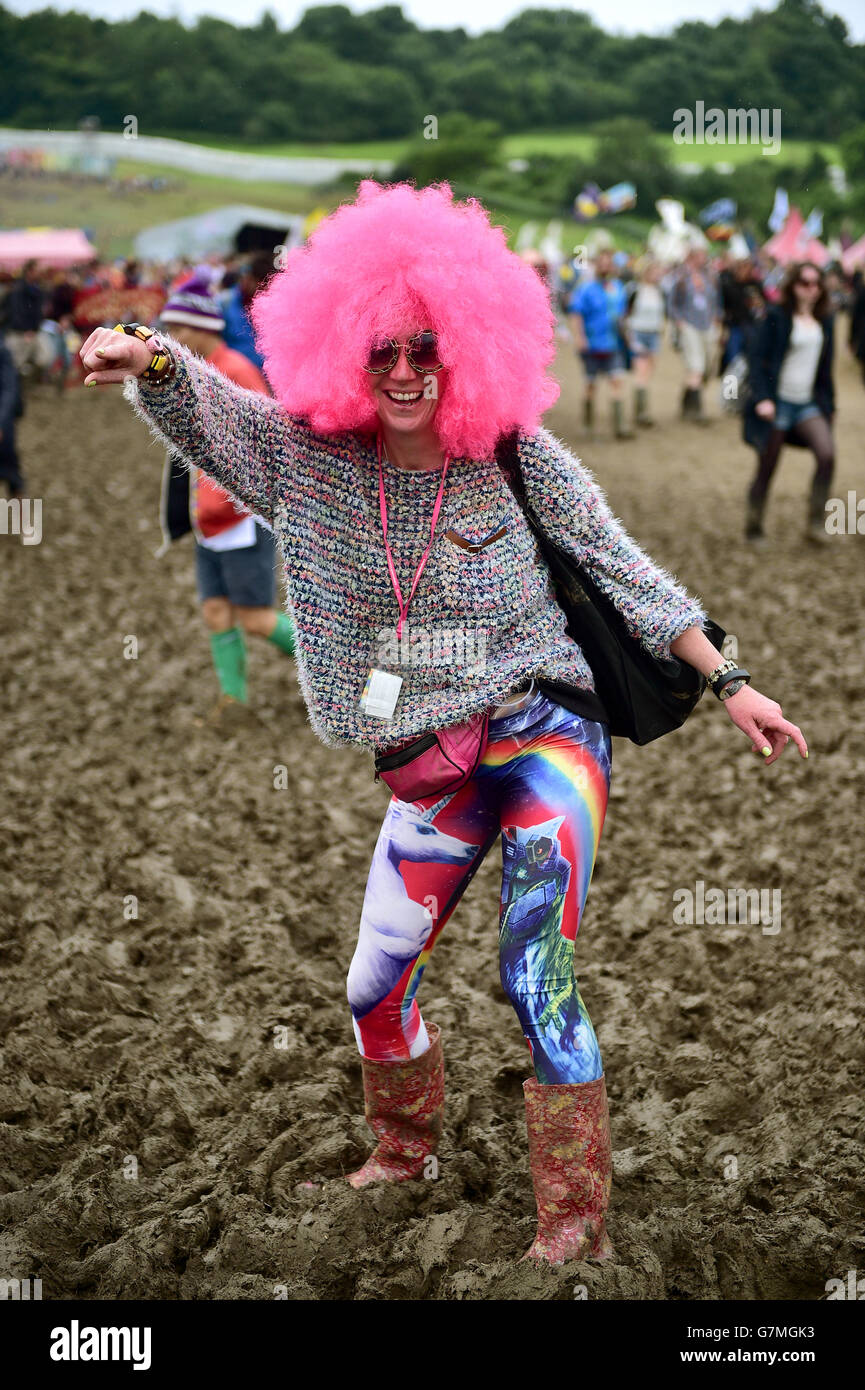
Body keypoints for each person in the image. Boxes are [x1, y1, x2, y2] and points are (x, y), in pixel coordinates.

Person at [80, 181, 807, 1267]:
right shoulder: (308, 461)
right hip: (428, 760)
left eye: (427, 347)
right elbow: (206, 410)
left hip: (544, 735)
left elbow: (625, 570)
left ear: (465, 347)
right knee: (373, 981)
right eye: (382, 351)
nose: (408, 370)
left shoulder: (513, 455)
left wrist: (731, 677)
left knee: (535, 971)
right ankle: (404, 1147)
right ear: (345, 353)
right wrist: (142, 349)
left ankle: (574, 1216)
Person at [155, 274, 297, 721]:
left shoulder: (234, 369)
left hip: (240, 519)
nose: (171, 338)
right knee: (216, 611)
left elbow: (266, 445)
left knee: (255, 617)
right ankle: (234, 701)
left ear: (202, 327)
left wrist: (226, 500)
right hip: (207, 521)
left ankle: (347, 660)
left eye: (177, 328)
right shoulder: (193, 370)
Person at [743, 261, 836, 545]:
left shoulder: (825, 320)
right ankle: (754, 526)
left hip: (807, 403)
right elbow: (756, 361)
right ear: (793, 285)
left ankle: (815, 524)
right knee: (768, 464)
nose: (811, 289)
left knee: (827, 455)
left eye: (816, 283)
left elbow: (825, 370)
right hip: (778, 402)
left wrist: (830, 407)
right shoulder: (777, 316)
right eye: (804, 283)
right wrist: (763, 399)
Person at [566, 248, 633, 440]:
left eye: (608, 262)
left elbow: (622, 315)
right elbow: (576, 313)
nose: (605, 266)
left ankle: (620, 426)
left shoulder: (618, 286)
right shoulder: (586, 288)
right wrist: (579, 337)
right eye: (601, 262)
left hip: (614, 343)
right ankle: (587, 426)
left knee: (617, 381)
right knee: (590, 384)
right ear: (596, 264)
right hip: (593, 343)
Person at [669, 247, 722, 424]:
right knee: (696, 367)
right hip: (689, 326)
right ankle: (697, 412)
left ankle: (686, 401)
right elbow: (672, 304)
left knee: (707, 368)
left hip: (707, 326)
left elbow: (715, 301)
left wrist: (716, 318)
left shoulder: (711, 278)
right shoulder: (681, 278)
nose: (704, 259)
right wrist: (679, 322)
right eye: (700, 256)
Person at [624, 259, 665, 427]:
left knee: (648, 373)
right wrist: (629, 337)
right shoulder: (635, 290)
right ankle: (640, 412)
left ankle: (642, 409)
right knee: (641, 372)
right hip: (638, 333)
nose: (658, 275)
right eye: (654, 271)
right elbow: (626, 313)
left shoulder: (659, 291)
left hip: (654, 334)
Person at [221, 251, 275, 371]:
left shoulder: (274, 306)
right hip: (234, 378)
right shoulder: (225, 303)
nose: (244, 280)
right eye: (245, 276)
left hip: (264, 380)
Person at [0, 329, 24, 498]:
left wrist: (1, 423)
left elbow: (10, 389)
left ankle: (21, 518)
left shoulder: (2, 351)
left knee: (11, 473)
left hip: (3, 421)